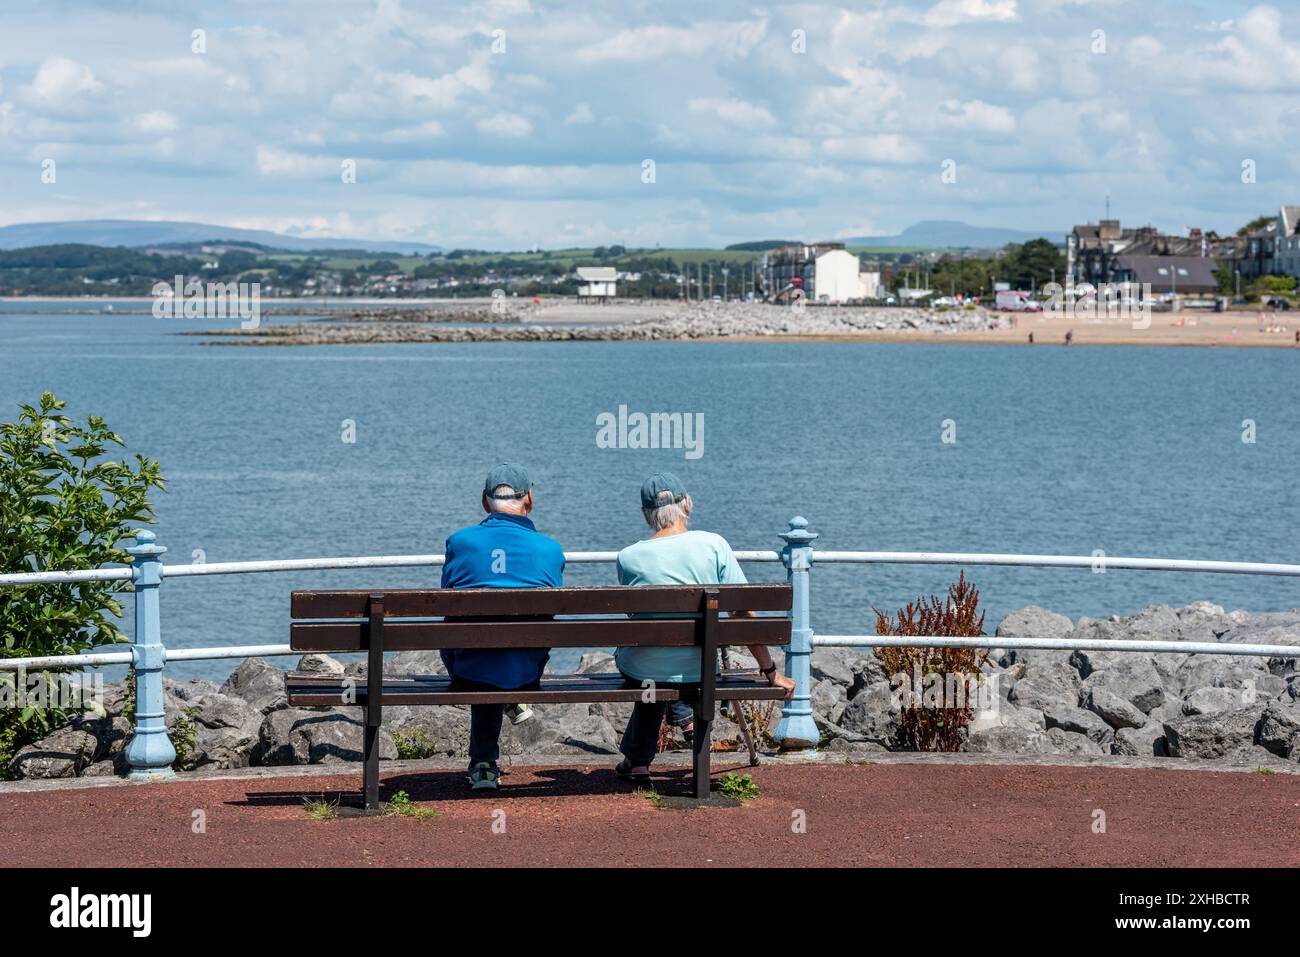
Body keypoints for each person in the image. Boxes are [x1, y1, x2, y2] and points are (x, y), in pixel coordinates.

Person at [611, 472, 794, 784]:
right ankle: (667, 741)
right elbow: (743, 612)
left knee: (654, 665)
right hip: (700, 667)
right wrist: (770, 671)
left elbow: (635, 614)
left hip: (644, 668)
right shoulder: (714, 545)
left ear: (646, 515)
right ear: (688, 504)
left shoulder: (628, 557)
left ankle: (639, 762)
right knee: (683, 659)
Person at [440, 463, 564, 790]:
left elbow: (446, 602)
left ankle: (483, 763)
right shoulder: (550, 549)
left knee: (482, 651)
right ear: (529, 500)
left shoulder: (460, 542)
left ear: (485, 501)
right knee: (506, 651)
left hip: (469, 668)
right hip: (525, 669)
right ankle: (511, 700)